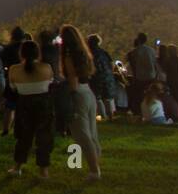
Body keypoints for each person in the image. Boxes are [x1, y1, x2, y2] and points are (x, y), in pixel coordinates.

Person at [59, 25, 101, 180]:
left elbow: (72, 80)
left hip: (78, 95)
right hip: (88, 92)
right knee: (91, 132)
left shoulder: (69, 56)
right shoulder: (84, 53)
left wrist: (68, 96)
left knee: (81, 134)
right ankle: (96, 164)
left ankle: (94, 170)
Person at [6, 39, 54, 177]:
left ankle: (17, 167)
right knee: (44, 137)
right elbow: (50, 84)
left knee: (23, 137)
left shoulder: (14, 70)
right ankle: (43, 170)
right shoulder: (46, 67)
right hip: (43, 103)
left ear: (21, 53)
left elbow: (13, 88)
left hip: (24, 103)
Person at [0, 27, 26, 136]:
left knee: (10, 107)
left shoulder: (6, 49)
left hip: (11, 77)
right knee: (23, 105)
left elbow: (3, 60)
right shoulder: (26, 47)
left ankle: (6, 129)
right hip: (25, 78)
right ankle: (20, 127)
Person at [87, 34, 118, 120]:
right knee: (108, 96)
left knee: (97, 96)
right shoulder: (104, 52)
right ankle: (111, 115)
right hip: (108, 76)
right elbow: (111, 64)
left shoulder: (89, 53)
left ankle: (103, 115)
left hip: (96, 77)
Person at [127, 33, 158, 115]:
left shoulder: (136, 51)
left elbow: (133, 65)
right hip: (151, 75)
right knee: (150, 95)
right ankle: (151, 111)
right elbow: (155, 64)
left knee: (139, 95)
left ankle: (139, 112)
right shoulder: (151, 50)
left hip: (140, 76)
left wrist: (134, 76)